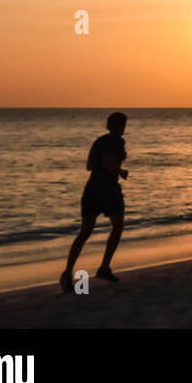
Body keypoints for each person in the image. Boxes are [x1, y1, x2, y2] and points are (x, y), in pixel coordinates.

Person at [60, 112, 129, 292]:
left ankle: (69, 272)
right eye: (122, 125)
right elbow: (105, 163)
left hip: (93, 188)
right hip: (105, 189)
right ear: (118, 126)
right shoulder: (113, 142)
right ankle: (102, 268)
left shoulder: (101, 141)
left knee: (86, 231)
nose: (123, 128)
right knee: (116, 225)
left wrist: (116, 169)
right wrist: (119, 172)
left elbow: (91, 165)